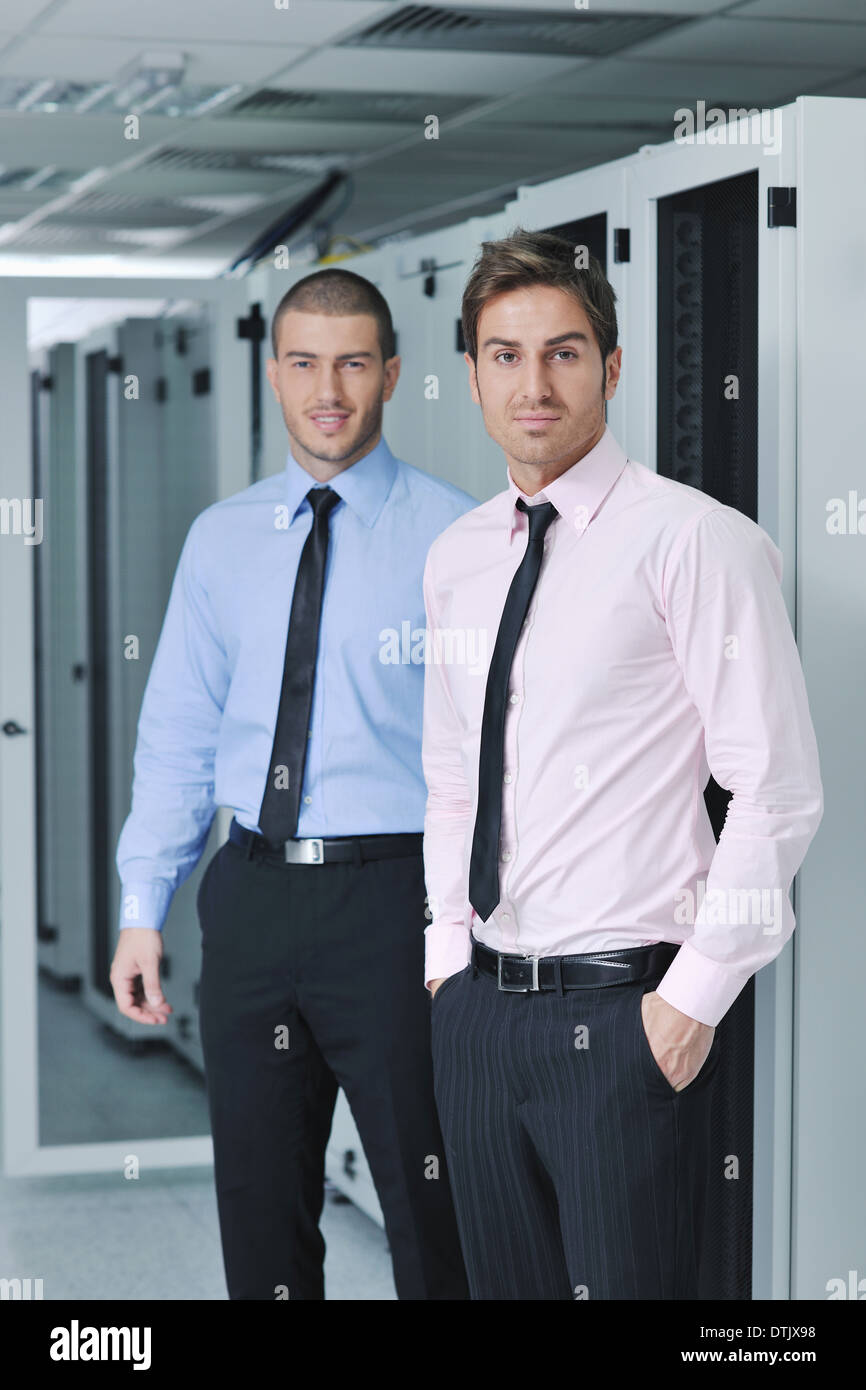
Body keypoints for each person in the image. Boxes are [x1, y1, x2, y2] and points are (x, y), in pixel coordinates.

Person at [421, 228, 824, 1300]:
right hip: (477, 1011)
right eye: (504, 355)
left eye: (562, 351)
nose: (533, 382)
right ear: (469, 374)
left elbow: (775, 786)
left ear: (609, 366)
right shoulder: (458, 555)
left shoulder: (694, 541)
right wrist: (442, 953)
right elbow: (452, 770)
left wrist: (687, 1001)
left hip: (620, 1014)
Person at [111, 267, 475, 1300]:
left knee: (429, 1203)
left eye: (353, 362)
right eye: (306, 363)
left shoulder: (456, 538)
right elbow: (178, 733)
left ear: (392, 373)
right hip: (255, 890)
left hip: (394, 899)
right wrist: (146, 906)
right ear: (274, 375)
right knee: (261, 1211)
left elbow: (494, 755)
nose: (329, 388)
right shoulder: (222, 539)